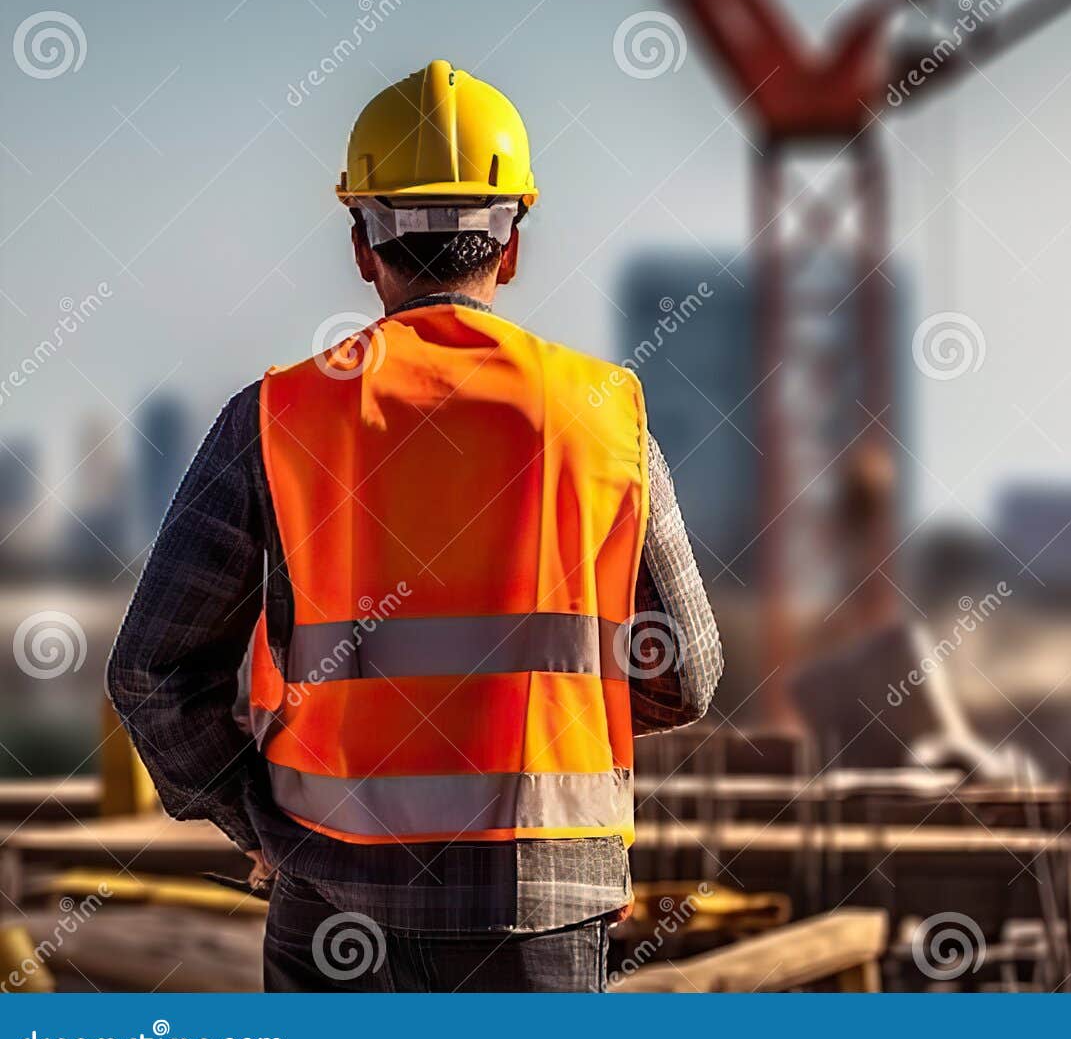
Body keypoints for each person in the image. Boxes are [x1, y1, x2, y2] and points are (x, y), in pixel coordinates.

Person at [107, 60, 722, 992]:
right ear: (511, 245)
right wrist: (541, 723)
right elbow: (687, 673)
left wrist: (259, 822)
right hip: (542, 903)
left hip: (332, 899)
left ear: (363, 243)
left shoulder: (278, 416)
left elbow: (152, 670)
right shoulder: (605, 414)